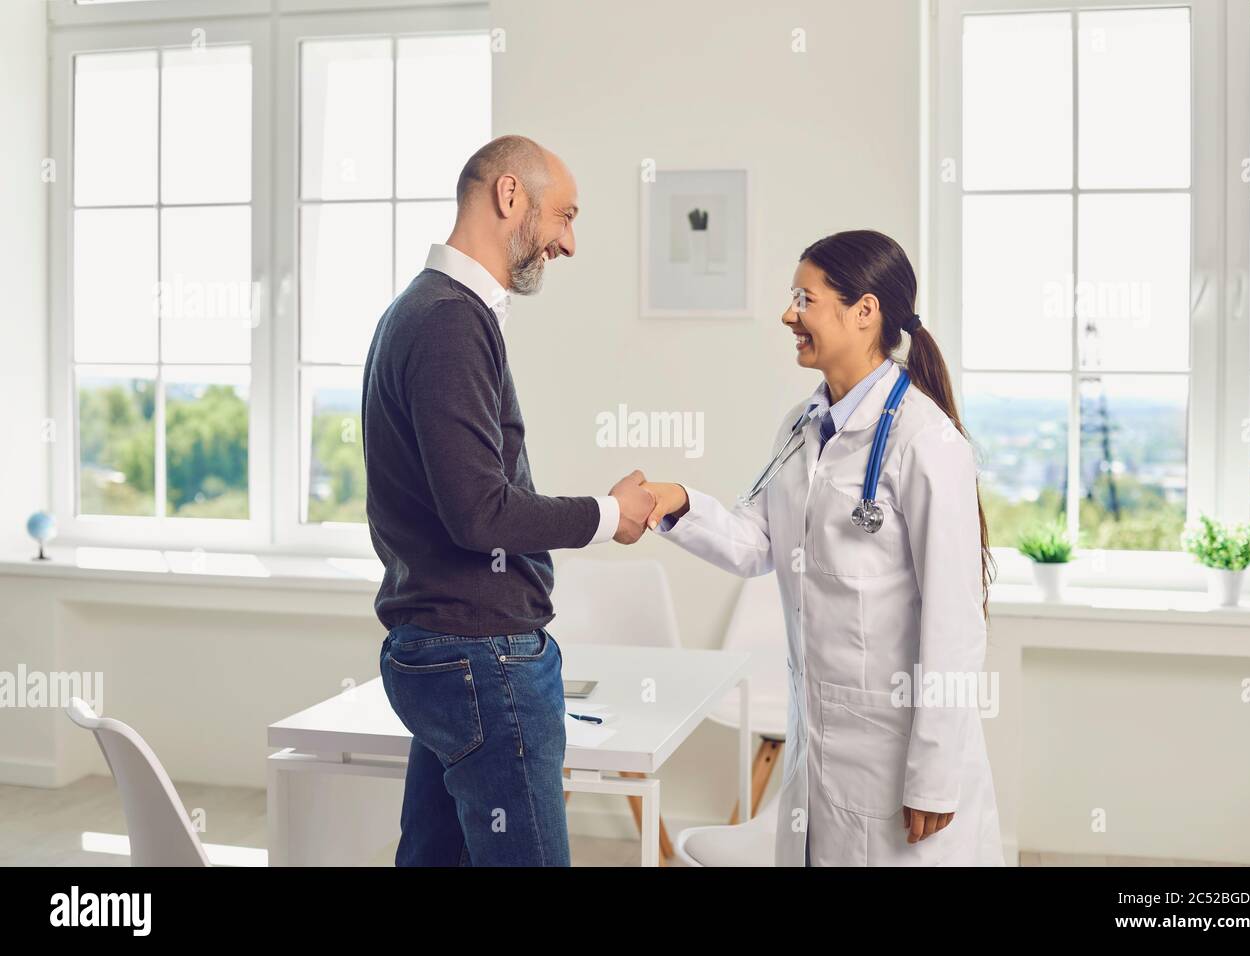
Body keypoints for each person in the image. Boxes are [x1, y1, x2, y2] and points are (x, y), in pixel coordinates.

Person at [638, 230, 1004, 866]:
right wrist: (679, 503)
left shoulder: (925, 441)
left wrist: (936, 774)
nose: (788, 315)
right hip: (821, 746)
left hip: (896, 753)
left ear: (864, 312)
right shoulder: (803, 426)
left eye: (803, 299)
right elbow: (758, 545)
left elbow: (955, 622)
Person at [361, 135, 653, 866]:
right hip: (480, 656)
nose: (569, 243)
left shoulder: (420, 310)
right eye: (565, 217)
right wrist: (610, 515)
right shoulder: (449, 320)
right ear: (510, 196)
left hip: (444, 652)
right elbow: (480, 513)